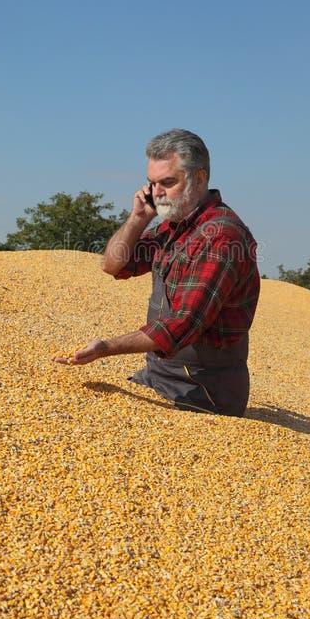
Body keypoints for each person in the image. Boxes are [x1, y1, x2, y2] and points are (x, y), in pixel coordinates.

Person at [52, 129, 260, 417]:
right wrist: (138, 218)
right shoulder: (174, 225)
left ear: (199, 179)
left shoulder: (220, 236)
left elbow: (182, 325)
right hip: (158, 376)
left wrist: (106, 347)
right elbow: (114, 265)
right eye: (152, 183)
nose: (157, 192)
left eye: (168, 182)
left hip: (205, 391)